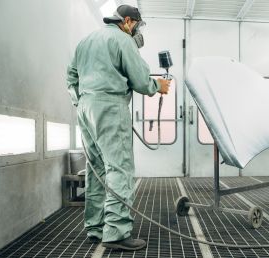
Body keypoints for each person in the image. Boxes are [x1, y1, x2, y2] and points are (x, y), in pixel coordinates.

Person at [66, 4, 170, 251]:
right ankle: (116, 232)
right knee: (119, 168)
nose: (136, 31)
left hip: (85, 106)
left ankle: (95, 227)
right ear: (127, 21)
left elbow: (71, 77)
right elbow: (140, 80)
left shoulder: (85, 41)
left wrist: (82, 101)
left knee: (96, 169)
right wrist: (159, 86)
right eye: (136, 25)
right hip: (110, 107)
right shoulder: (123, 40)